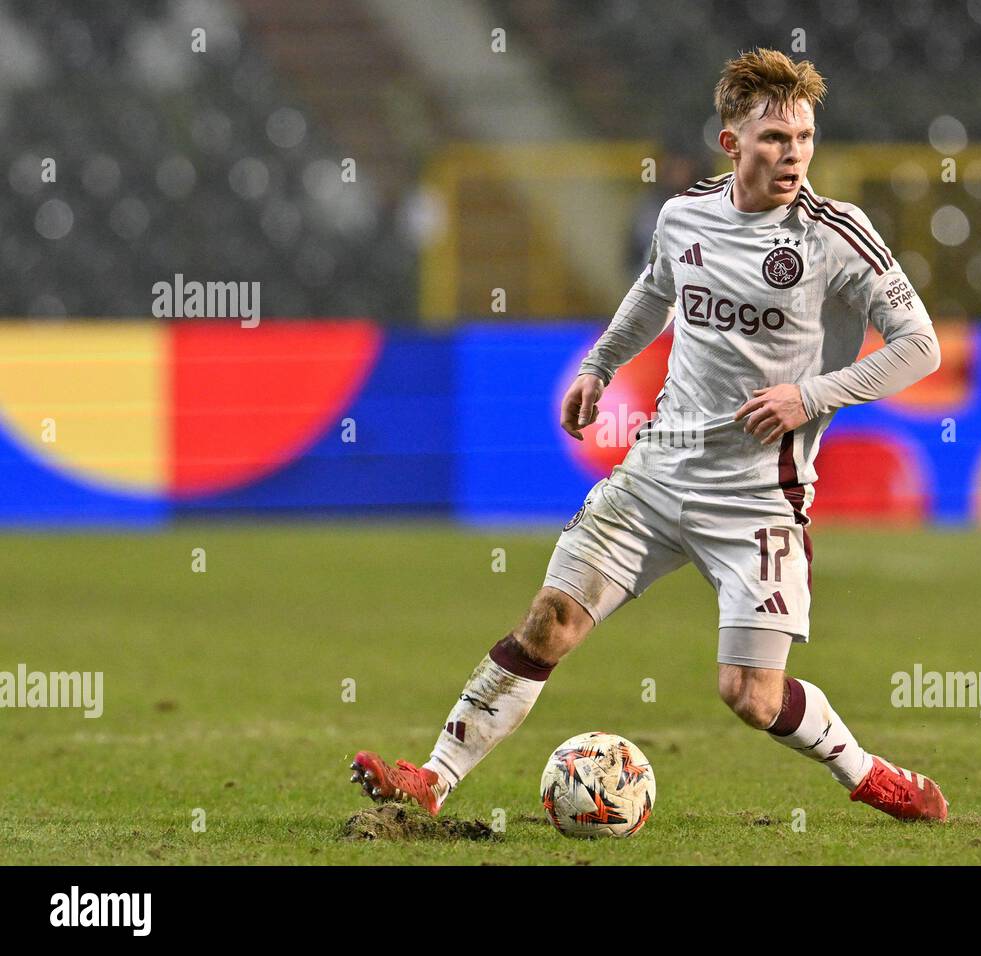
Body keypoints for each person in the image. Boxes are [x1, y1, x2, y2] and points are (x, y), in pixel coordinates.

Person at [351, 48, 948, 822]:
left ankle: (869, 774)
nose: (792, 153)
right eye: (773, 138)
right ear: (731, 143)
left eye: (803, 136)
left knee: (751, 696)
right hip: (656, 476)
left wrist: (812, 395)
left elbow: (921, 346)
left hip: (760, 498)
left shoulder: (837, 235)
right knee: (549, 620)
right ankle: (430, 781)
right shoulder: (683, 216)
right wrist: (599, 367)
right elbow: (654, 292)